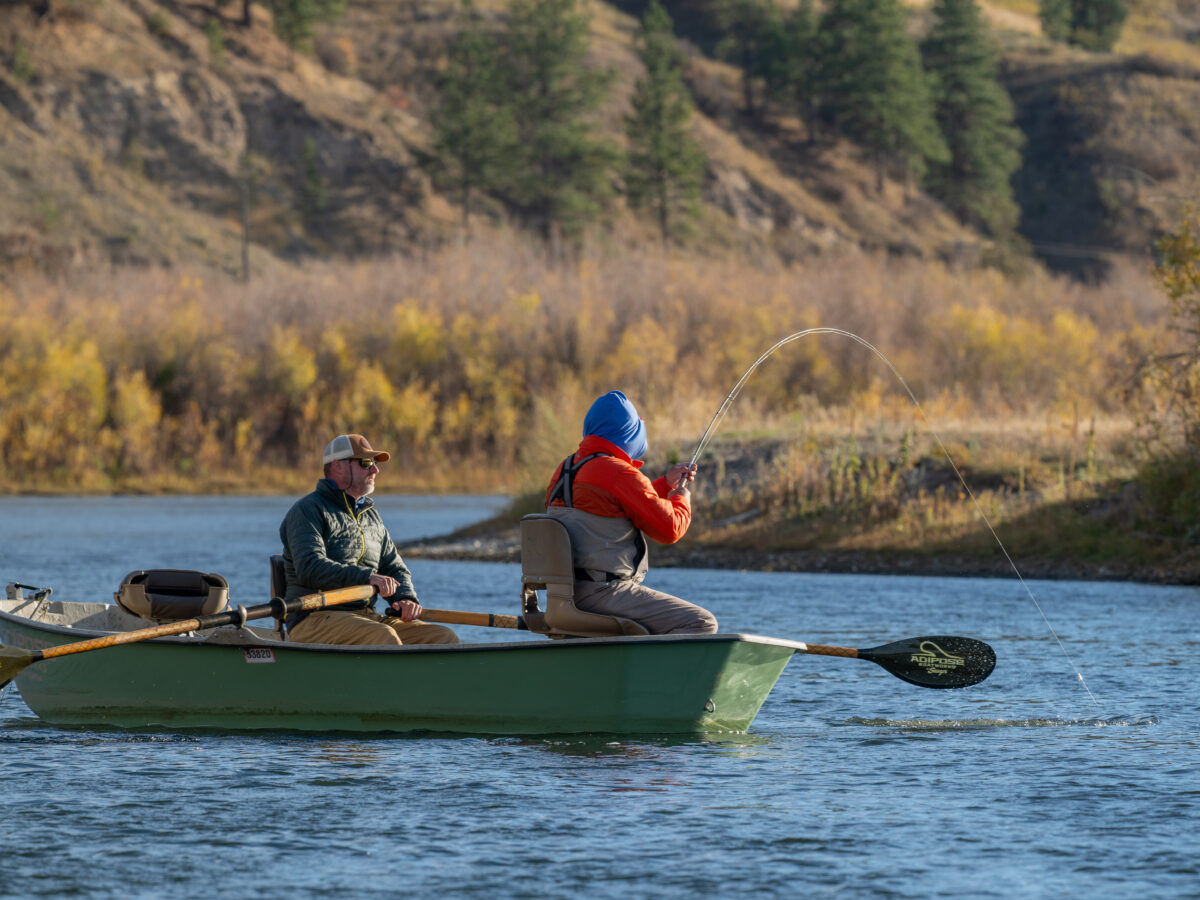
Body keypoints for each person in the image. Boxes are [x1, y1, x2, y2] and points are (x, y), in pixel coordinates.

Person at [544, 390, 717, 635]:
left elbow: (611, 507)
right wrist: (681, 497)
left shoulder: (565, 468)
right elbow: (670, 530)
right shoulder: (618, 472)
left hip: (561, 597)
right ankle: (658, 674)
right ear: (628, 432)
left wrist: (665, 484)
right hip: (604, 593)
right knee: (701, 623)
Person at [279, 433, 459, 646]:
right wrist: (368, 577)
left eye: (374, 463)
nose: (375, 470)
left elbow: (394, 567)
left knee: (443, 637)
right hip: (313, 617)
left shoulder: (371, 517)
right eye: (366, 463)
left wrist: (405, 598)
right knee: (383, 636)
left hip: (365, 616)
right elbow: (311, 567)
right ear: (338, 466)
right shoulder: (307, 511)